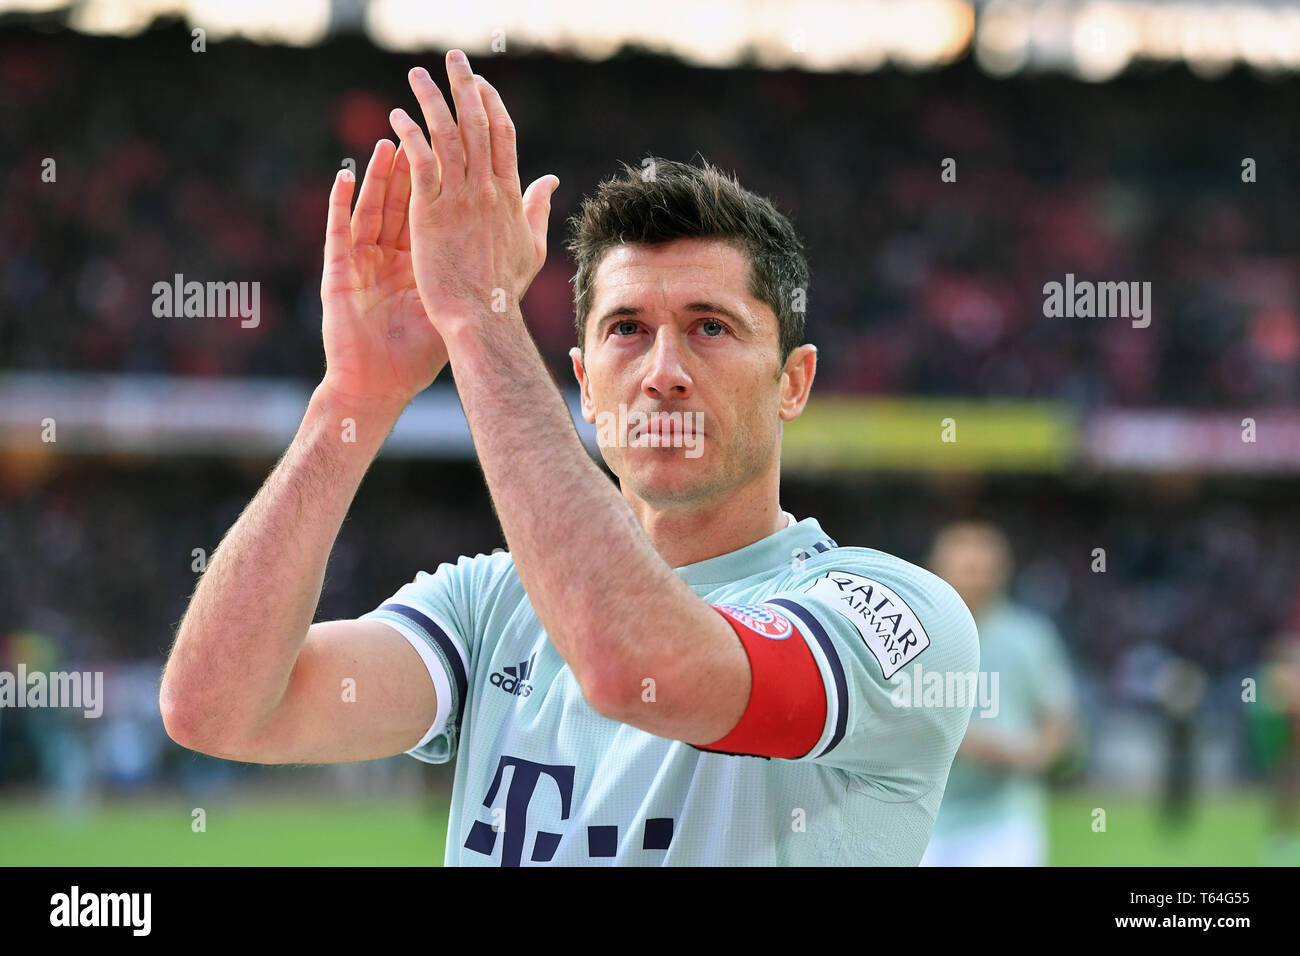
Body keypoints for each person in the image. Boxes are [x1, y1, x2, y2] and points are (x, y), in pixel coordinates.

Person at [160, 50, 978, 865]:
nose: (663, 374)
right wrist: (354, 398)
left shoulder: (893, 616)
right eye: (627, 330)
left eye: (711, 328)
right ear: (583, 385)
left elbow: (640, 665)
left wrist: (479, 321)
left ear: (793, 382)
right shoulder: (488, 605)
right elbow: (218, 711)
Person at [921, 521, 1077, 866]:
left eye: (984, 568)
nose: (975, 578)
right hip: (924, 822)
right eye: (966, 567)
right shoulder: (913, 640)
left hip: (1005, 823)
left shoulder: (1030, 637)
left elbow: (1059, 726)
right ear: (937, 568)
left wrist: (1021, 754)